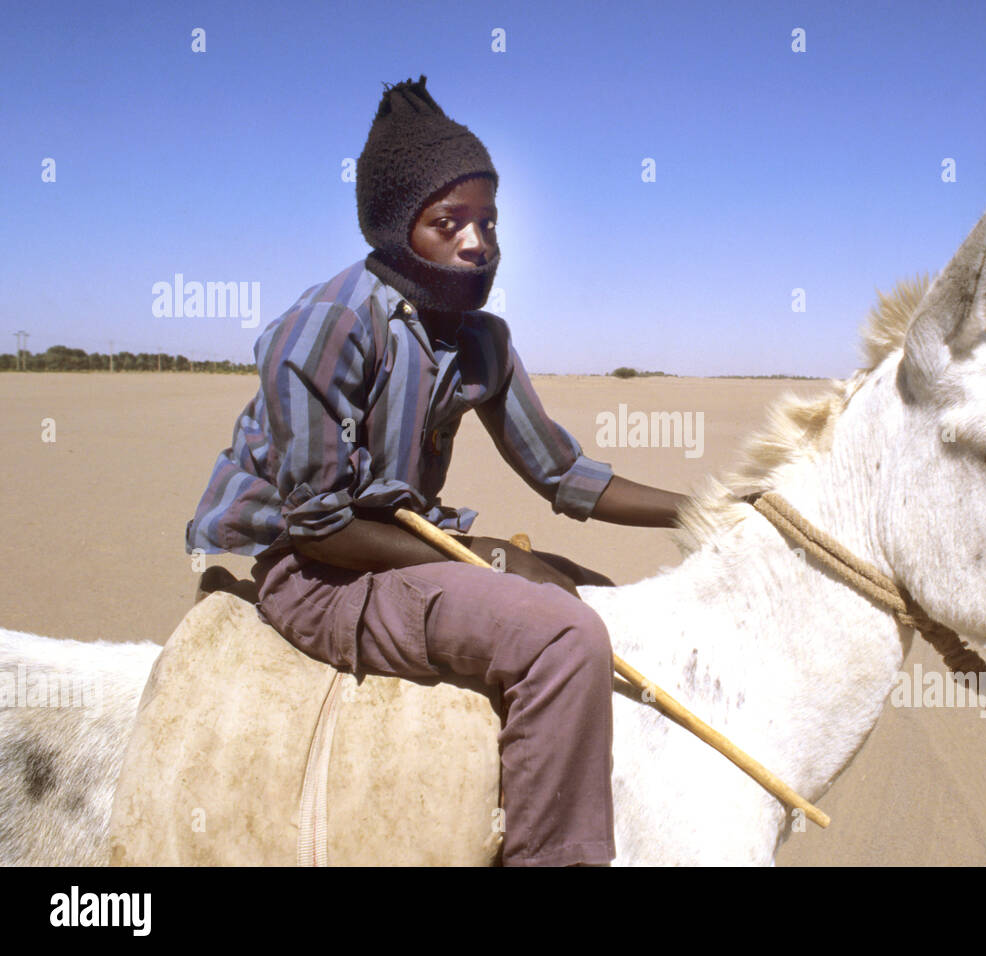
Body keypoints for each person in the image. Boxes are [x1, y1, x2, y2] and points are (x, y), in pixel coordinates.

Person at [184, 75, 688, 866]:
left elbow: (562, 475)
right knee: (562, 634)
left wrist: (707, 508)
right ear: (397, 228)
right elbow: (319, 525)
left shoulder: (481, 339)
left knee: (600, 596)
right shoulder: (328, 326)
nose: (477, 242)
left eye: (488, 221)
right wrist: (488, 557)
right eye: (449, 222)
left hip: (401, 547)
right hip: (318, 570)